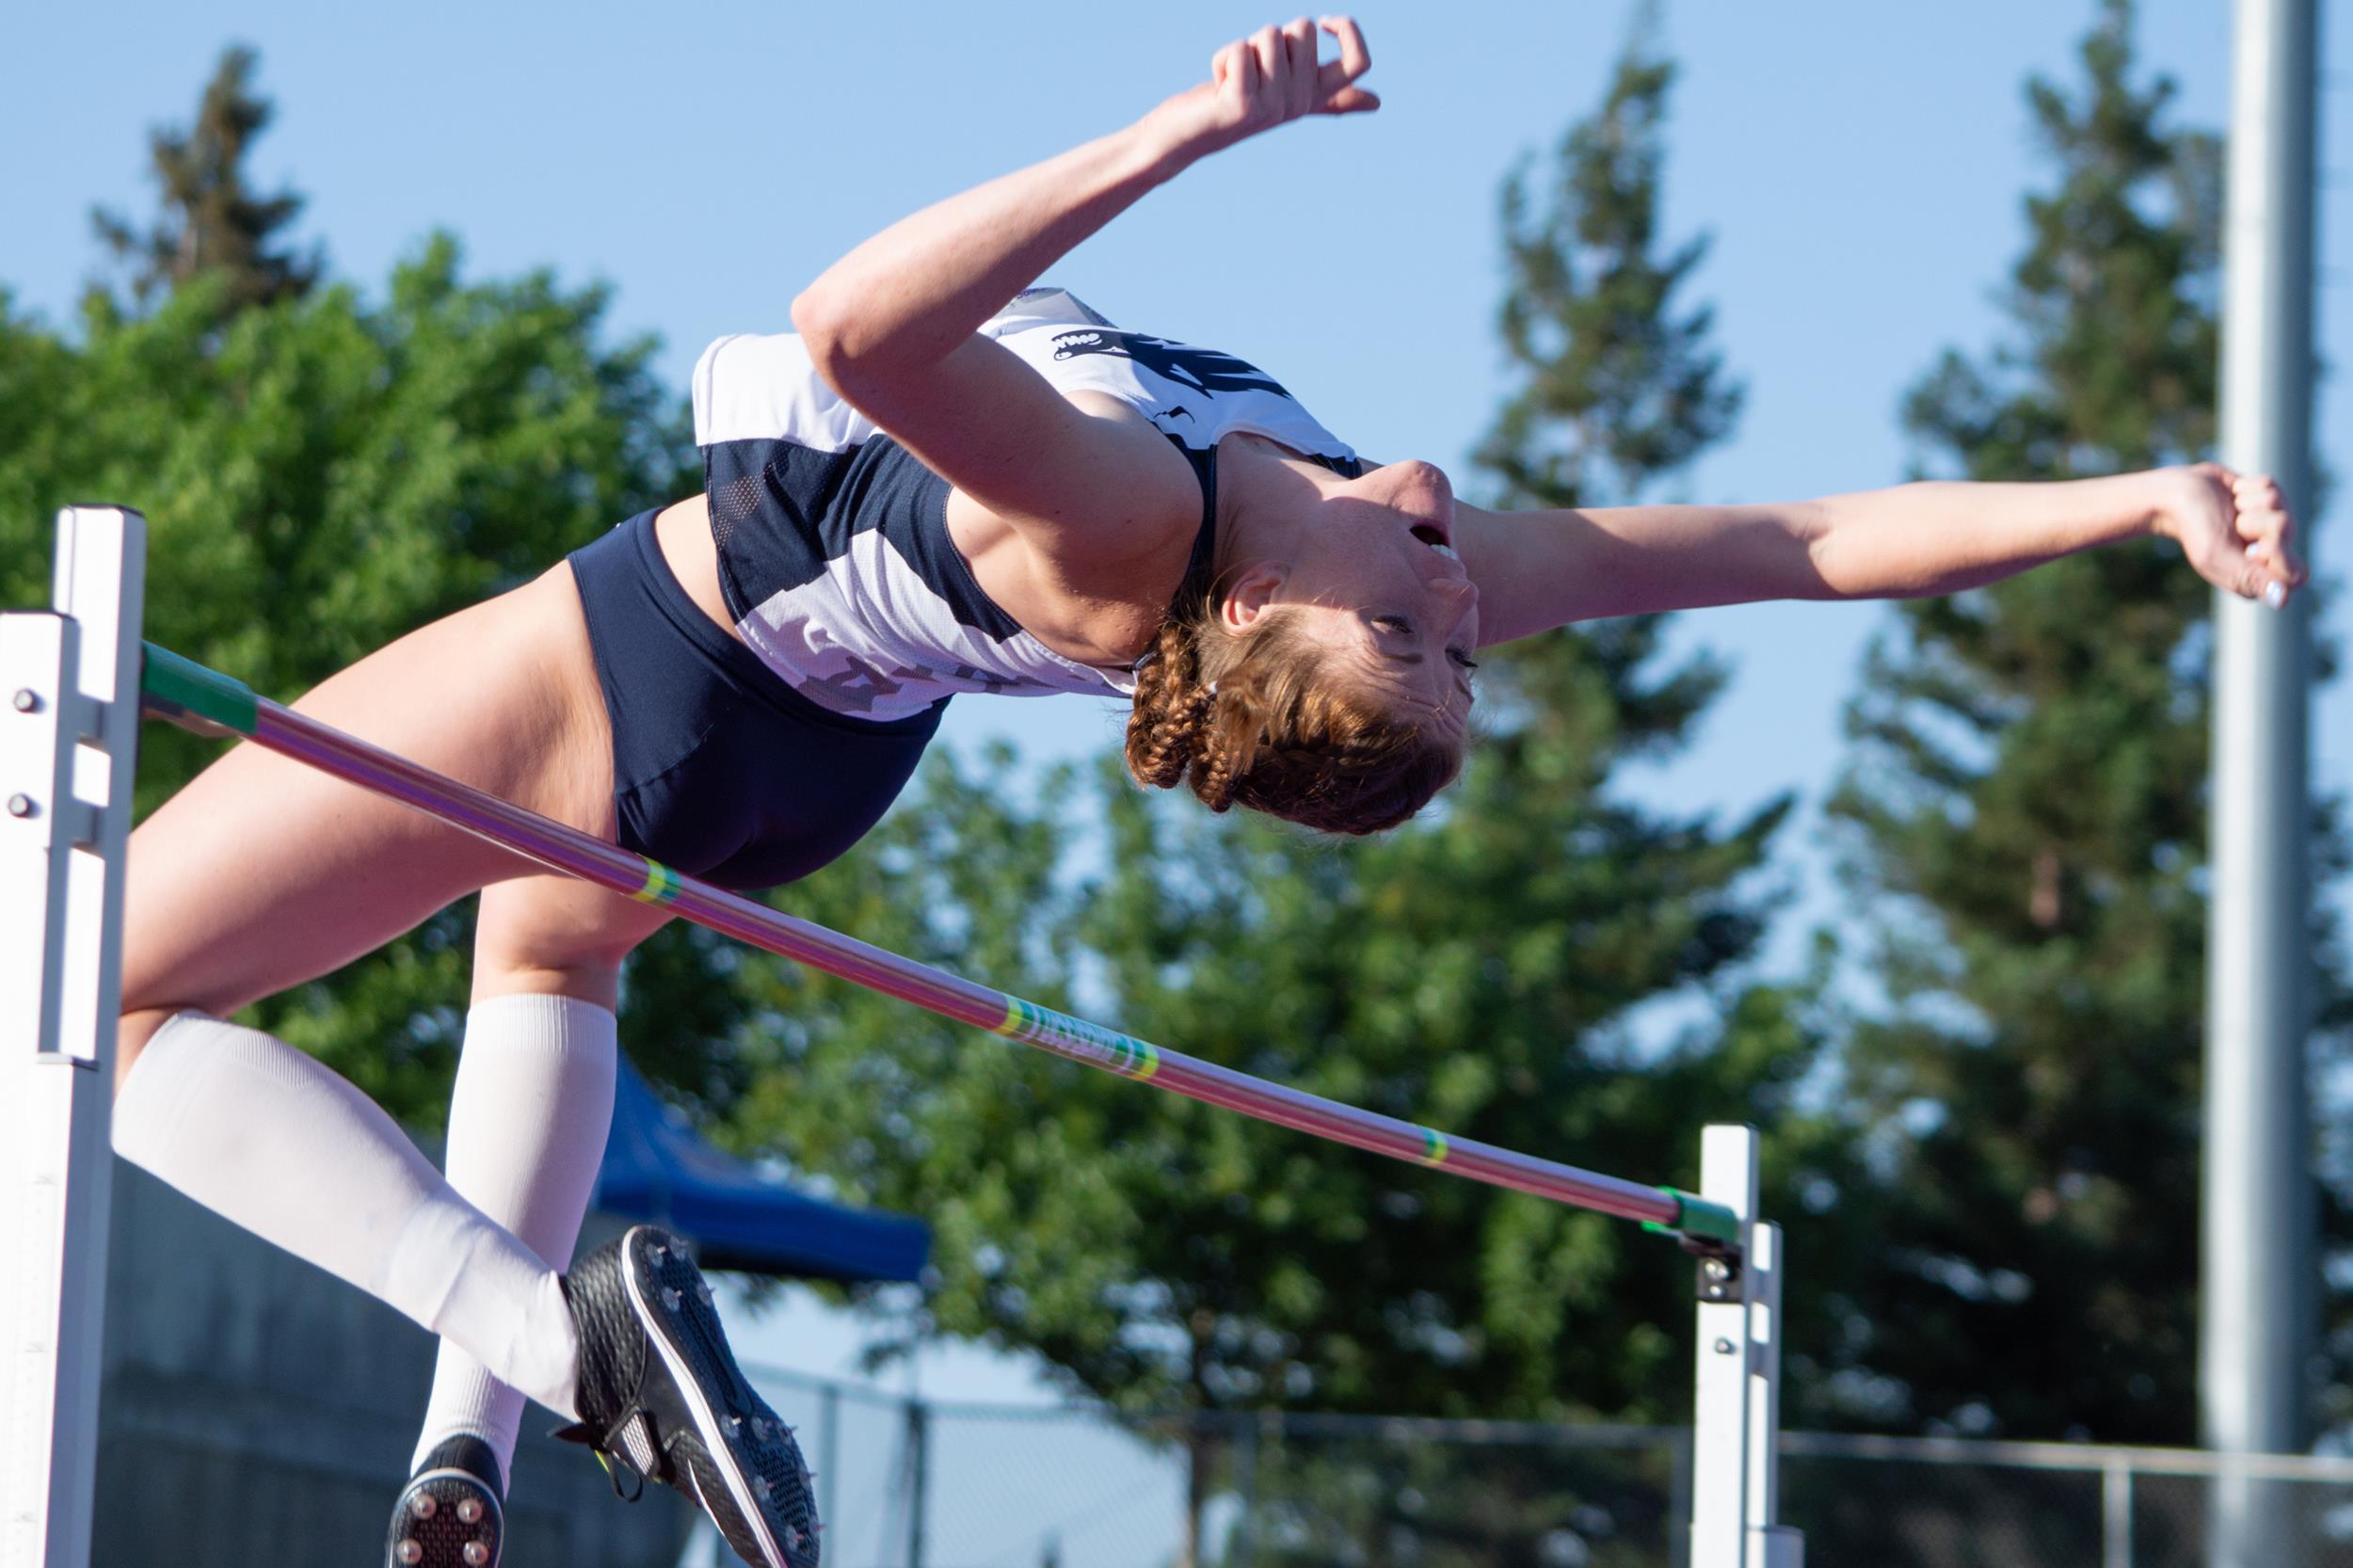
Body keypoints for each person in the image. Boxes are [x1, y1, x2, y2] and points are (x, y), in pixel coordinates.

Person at [104, 17, 2301, 1568]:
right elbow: (1784, 544)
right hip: (794, 776)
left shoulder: (1128, 523)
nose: (1455, 591)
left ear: (1256, 625)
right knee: (547, 945)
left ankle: (537, 1343)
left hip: (650, 668)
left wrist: (1178, 130)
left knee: (87, 996)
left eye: (1408, 630)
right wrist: (2126, 498)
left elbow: (852, 328)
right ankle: (454, 1464)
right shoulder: (1283, 523)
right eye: (1454, 639)